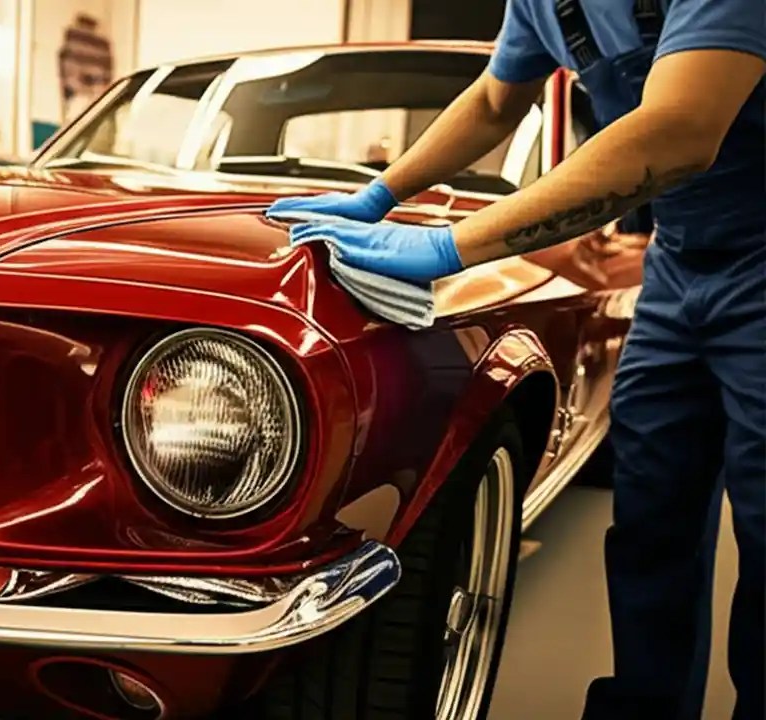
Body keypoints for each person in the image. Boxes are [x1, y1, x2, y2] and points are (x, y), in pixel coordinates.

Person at [265, 1, 765, 719]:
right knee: (652, 515)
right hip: (679, 264)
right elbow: (495, 101)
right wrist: (379, 195)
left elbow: (682, 129)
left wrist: (450, 246)